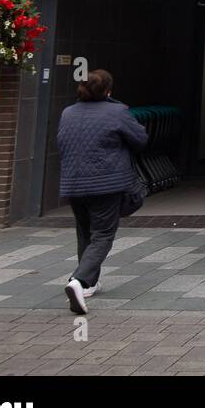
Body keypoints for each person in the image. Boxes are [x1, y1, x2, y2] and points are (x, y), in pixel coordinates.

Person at [56, 68, 148, 315]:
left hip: (74, 183)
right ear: (108, 91)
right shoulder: (117, 112)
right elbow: (140, 139)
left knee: (84, 232)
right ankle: (78, 280)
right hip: (106, 184)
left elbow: (61, 142)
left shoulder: (68, 113)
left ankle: (89, 284)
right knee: (103, 235)